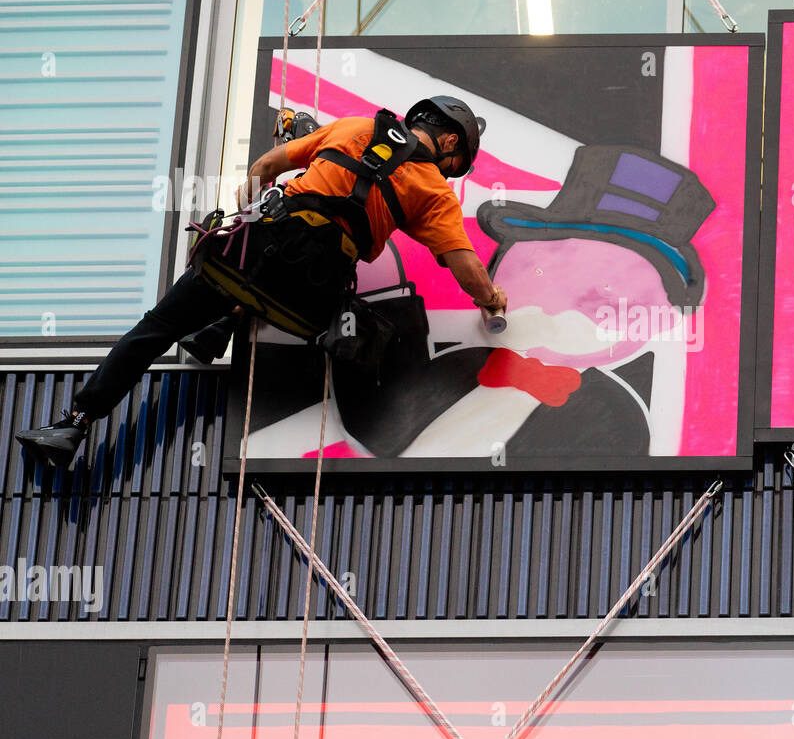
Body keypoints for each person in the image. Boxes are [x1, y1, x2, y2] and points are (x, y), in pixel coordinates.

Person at [16, 95, 507, 470]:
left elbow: (268, 168)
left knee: (156, 328)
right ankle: (227, 322)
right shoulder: (432, 192)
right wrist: (491, 299)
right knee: (334, 295)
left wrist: (248, 215)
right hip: (311, 299)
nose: (449, 172)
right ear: (447, 142)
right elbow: (464, 265)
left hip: (254, 259)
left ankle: (73, 426)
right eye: (453, 164)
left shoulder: (356, 128)